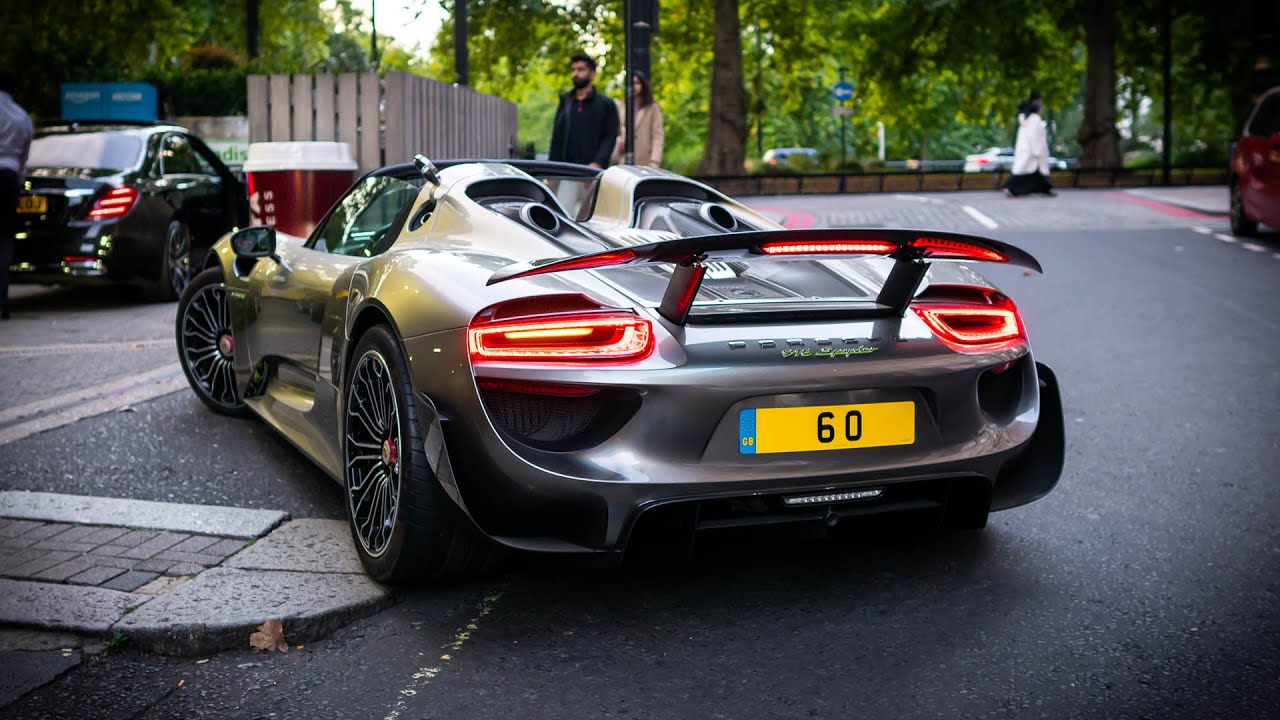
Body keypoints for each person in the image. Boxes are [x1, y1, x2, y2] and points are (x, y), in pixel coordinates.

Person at [0, 70, 33, 320]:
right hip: (9, 179)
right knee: (4, 241)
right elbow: (23, 158)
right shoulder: (22, 117)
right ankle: (2, 302)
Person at [548, 53, 619, 169]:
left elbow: (610, 137)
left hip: (594, 172)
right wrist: (551, 170)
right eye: (573, 70)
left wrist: (598, 162)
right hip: (566, 171)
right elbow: (557, 139)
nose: (575, 74)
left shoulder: (607, 104)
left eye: (581, 70)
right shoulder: (565, 102)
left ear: (592, 74)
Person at [611, 71, 665, 168]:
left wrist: (655, 161)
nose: (634, 86)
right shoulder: (621, 106)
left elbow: (658, 136)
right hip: (624, 159)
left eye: (637, 83)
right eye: (631, 83)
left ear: (643, 85)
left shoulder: (652, 108)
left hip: (646, 160)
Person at [1004, 95, 1054, 197]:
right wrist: (1038, 151)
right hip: (1032, 152)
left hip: (1026, 151)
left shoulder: (1026, 121)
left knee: (1031, 173)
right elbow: (1035, 136)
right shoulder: (1034, 119)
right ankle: (1011, 188)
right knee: (1028, 172)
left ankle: (1044, 189)